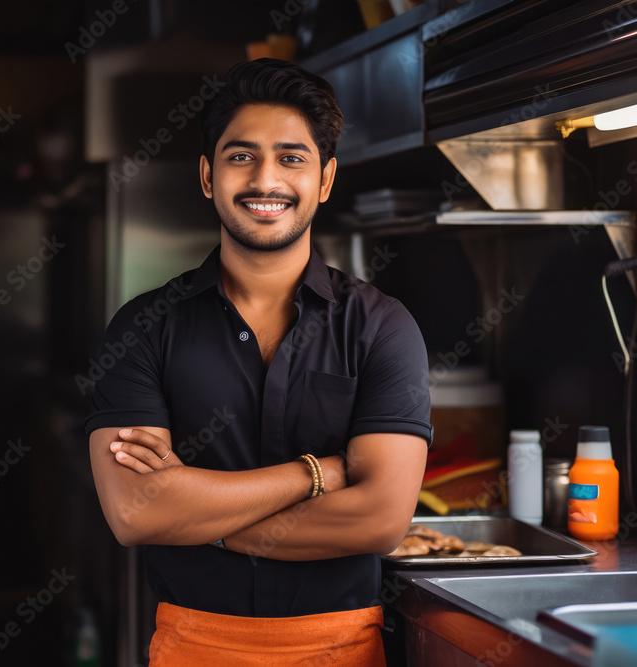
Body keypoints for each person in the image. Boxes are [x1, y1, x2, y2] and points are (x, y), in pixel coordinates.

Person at [85, 58, 431, 665]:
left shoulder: (383, 327)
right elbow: (136, 512)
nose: (265, 179)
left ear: (324, 180)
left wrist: (193, 512)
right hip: (194, 648)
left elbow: (380, 520)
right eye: (240, 156)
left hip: (341, 651)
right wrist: (315, 474)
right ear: (206, 175)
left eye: (292, 158)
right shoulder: (142, 327)